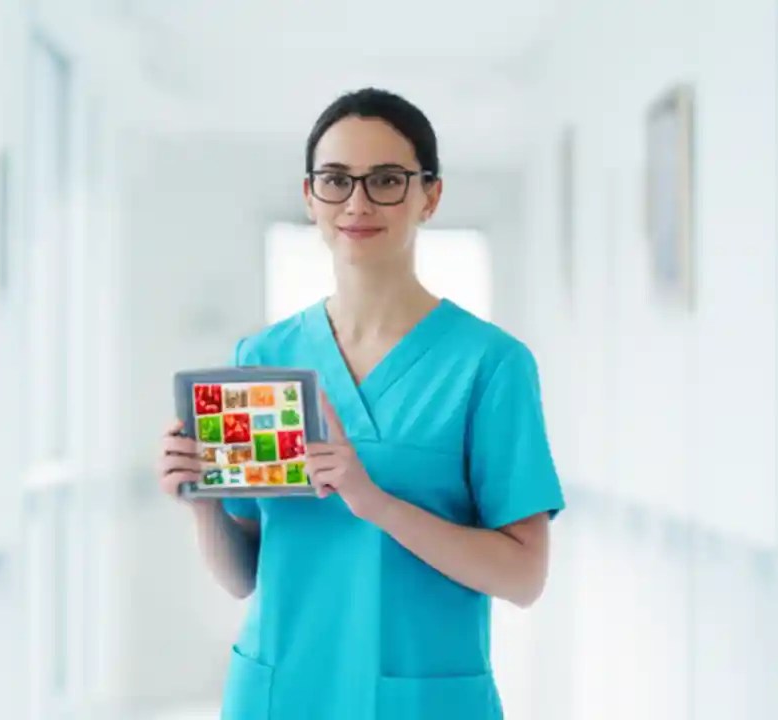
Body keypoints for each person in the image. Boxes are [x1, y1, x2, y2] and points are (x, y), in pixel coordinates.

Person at [158, 87, 565, 720]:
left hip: (421, 699)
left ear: (429, 195)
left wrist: (371, 500)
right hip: (279, 694)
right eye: (336, 180)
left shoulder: (489, 365)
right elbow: (244, 576)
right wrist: (200, 499)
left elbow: (523, 578)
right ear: (309, 196)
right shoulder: (262, 357)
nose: (357, 202)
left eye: (386, 180)